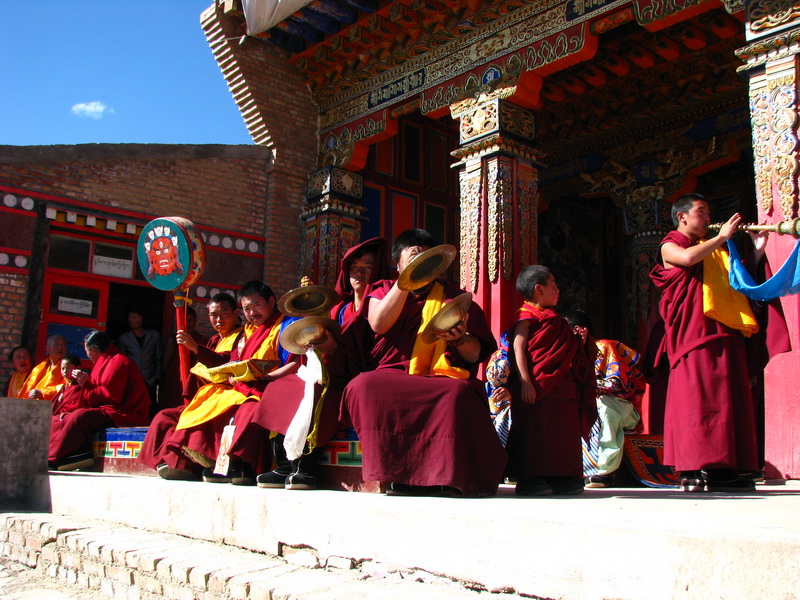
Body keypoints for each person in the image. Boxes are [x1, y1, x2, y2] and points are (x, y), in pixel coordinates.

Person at [341, 228, 507, 497]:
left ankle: (447, 478)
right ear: (398, 263)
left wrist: (459, 339)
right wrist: (404, 283)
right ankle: (394, 474)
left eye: (426, 258)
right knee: (364, 386)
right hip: (394, 374)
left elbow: (475, 354)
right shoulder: (382, 289)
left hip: (441, 378)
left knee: (459, 392)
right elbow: (379, 324)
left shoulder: (456, 299)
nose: (420, 263)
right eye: (413, 257)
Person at [649, 193, 766, 492]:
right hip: (694, 336)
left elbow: (735, 283)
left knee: (726, 401)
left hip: (723, 329)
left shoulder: (714, 252)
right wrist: (723, 237)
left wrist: (755, 252)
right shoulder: (671, 244)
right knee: (696, 400)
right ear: (682, 217)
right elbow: (686, 259)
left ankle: (724, 467)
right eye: (701, 211)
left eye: (708, 211)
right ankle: (693, 467)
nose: (706, 216)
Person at [167, 280, 300, 485]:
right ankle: (218, 463)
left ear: (271, 301)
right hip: (245, 384)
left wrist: (268, 377)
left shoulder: (286, 325)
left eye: (256, 305)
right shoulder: (246, 332)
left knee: (245, 409)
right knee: (211, 398)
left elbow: (297, 362)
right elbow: (235, 362)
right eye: (246, 308)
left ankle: (243, 465)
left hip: (273, 383)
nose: (251, 312)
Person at [504, 266, 597, 497]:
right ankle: (533, 478)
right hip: (537, 386)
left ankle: (566, 477)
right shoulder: (525, 316)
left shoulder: (556, 321)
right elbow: (518, 348)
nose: (558, 290)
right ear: (539, 289)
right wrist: (525, 381)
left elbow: (570, 353)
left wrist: (581, 342)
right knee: (537, 432)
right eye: (553, 284)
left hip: (563, 389)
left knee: (564, 433)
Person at [138, 292, 242, 480]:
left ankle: (184, 466)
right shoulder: (214, 340)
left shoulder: (242, 337)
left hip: (226, 396)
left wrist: (195, 348)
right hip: (205, 396)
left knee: (190, 420)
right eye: (213, 315)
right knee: (164, 417)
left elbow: (229, 365)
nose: (218, 319)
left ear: (235, 314)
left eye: (224, 314)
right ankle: (172, 462)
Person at [562, 310, 646, 489]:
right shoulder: (568, 353)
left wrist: (589, 385)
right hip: (589, 401)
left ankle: (604, 471)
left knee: (604, 407)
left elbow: (616, 385)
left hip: (620, 406)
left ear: (578, 330)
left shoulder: (605, 347)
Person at [48, 330, 150, 471]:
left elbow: (112, 398)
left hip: (124, 413)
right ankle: (75, 454)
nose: (88, 356)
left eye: (87, 351)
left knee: (80, 417)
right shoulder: (104, 362)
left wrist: (86, 385)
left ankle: (55, 458)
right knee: (62, 418)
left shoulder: (118, 362)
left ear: (94, 350)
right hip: (108, 409)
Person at [160, 305, 210, 411]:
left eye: (191, 320)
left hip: (194, 380)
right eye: (185, 320)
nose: (188, 324)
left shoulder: (201, 340)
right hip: (175, 381)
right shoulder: (174, 340)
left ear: (195, 320)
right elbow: (166, 362)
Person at [117, 307, 163, 414]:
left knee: (151, 408)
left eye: (138, 317)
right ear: (128, 320)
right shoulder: (124, 339)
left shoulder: (154, 336)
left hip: (150, 379)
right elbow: (123, 361)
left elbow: (158, 357)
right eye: (133, 317)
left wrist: (157, 377)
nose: (136, 320)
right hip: (133, 379)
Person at [17, 335, 67, 401]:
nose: (60, 347)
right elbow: (28, 388)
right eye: (56, 345)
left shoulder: (68, 367)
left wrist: (43, 392)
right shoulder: (38, 368)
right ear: (47, 348)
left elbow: (67, 388)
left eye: (63, 345)